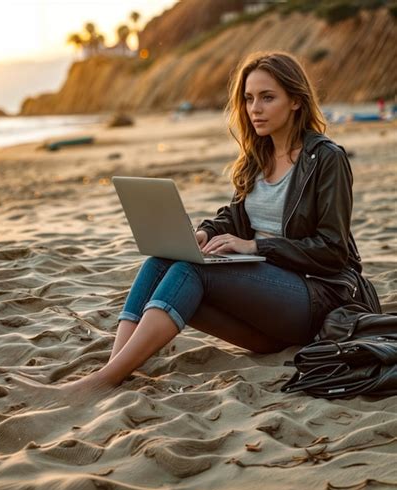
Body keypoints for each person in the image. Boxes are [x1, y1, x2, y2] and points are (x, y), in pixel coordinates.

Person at [61, 51, 377, 397]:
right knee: (161, 261)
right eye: (249, 98)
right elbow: (235, 217)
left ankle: (104, 381)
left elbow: (333, 251)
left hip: (316, 299)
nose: (254, 108)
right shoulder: (258, 158)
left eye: (267, 98)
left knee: (192, 271)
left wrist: (255, 247)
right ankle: (114, 367)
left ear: (296, 102)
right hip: (266, 321)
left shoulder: (326, 159)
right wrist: (203, 233)